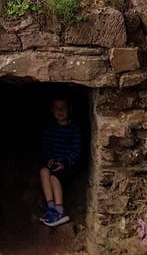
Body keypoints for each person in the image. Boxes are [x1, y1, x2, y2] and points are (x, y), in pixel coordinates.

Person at [39, 97, 82, 227]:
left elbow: (76, 151)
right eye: (57, 108)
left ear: (69, 109)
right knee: (44, 171)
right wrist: (48, 159)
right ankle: (51, 208)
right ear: (52, 110)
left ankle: (60, 211)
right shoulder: (50, 129)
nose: (60, 111)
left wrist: (65, 163)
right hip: (55, 163)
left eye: (63, 108)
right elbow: (46, 147)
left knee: (53, 177)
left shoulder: (74, 129)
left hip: (68, 165)